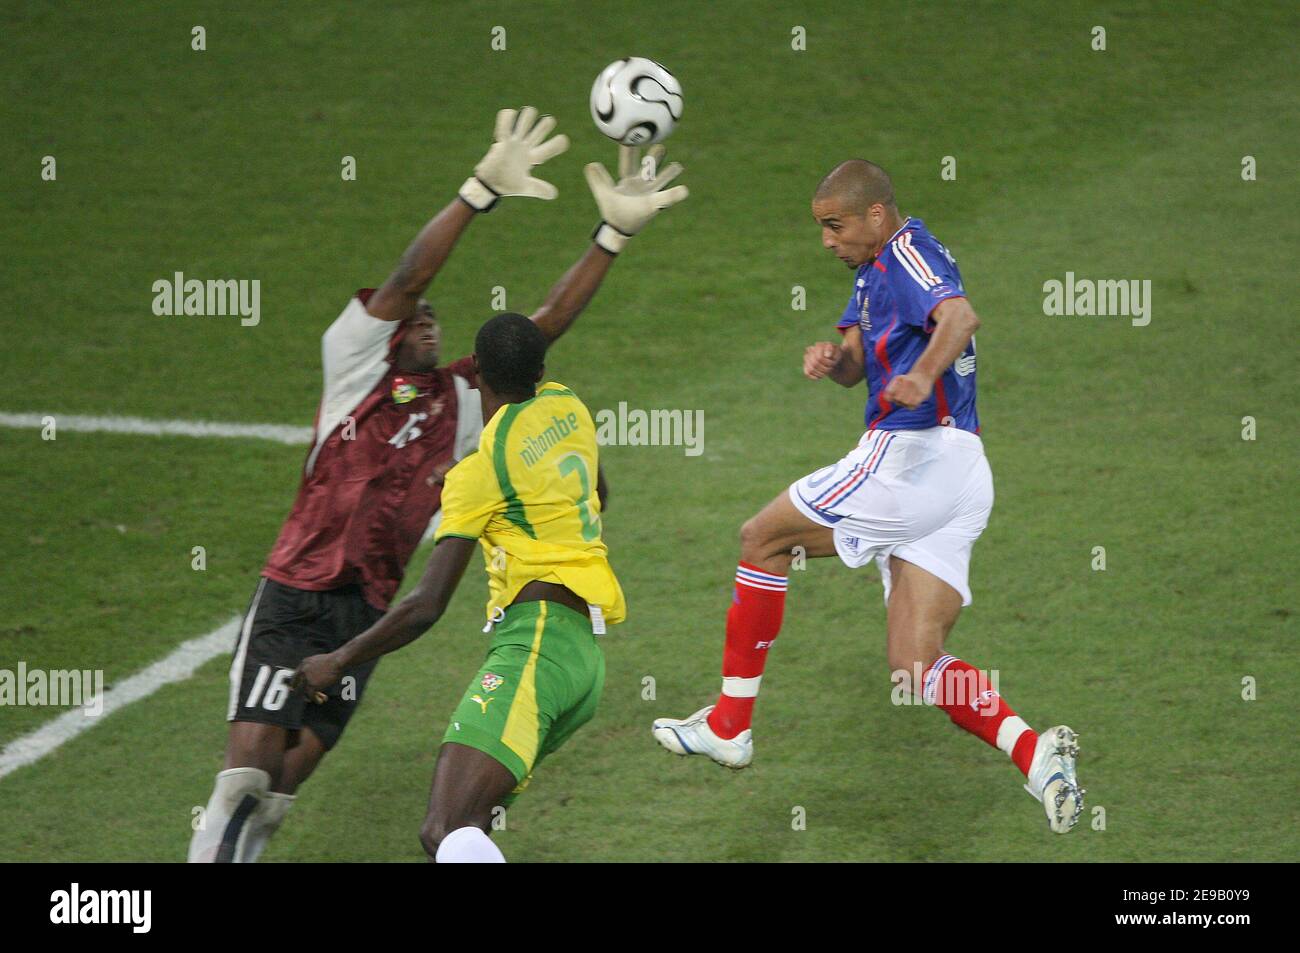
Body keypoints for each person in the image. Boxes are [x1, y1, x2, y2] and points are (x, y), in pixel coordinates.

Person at [189, 106, 687, 862]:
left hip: (372, 606)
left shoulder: (468, 409)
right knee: (245, 778)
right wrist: (479, 189)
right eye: (414, 316)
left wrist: (608, 239)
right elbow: (409, 275)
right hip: (296, 591)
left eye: (436, 318)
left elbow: (541, 323)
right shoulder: (352, 364)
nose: (427, 317)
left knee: (281, 791)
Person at [651, 159, 1084, 834]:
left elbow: (960, 316)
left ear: (875, 215)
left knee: (759, 537)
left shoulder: (910, 251)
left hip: (915, 457)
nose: (827, 239)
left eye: (835, 225)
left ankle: (730, 723)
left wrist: (920, 375)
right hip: (961, 476)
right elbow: (857, 365)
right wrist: (834, 362)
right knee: (914, 663)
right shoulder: (868, 275)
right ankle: (1036, 752)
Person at [294, 312, 631, 863]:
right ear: (542, 369)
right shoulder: (568, 406)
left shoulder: (479, 471)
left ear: (475, 372)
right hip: (582, 657)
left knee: (444, 828)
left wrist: (340, 659)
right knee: (472, 824)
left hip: (536, 648)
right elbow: (598, 493)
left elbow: (426, 605)